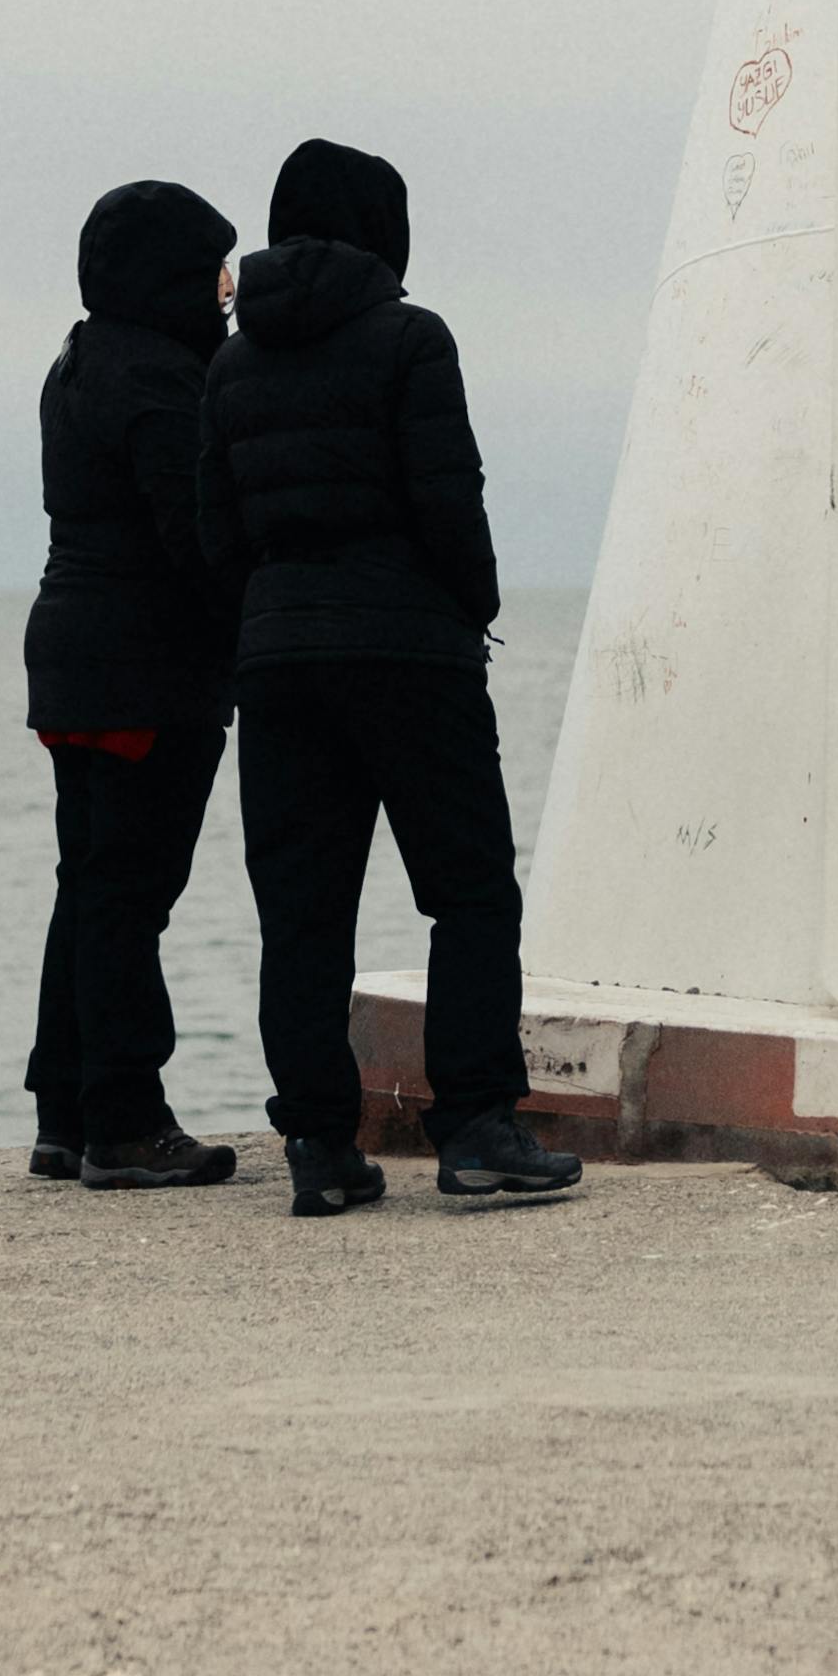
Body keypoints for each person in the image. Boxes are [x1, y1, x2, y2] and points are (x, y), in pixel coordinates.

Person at [200, 132, 583, 1215]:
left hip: (279, 661)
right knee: (466, 891)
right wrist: (476, 604)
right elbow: (448, 497)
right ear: (386, 227)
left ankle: (321, 1148)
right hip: (410, 650)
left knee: (302, 911)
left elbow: (213, 531)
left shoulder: (231, 361)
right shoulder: (411, 337)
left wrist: (267, 619)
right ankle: (475, 1130)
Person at [21, 173, 242, 1193]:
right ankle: (125, 1117)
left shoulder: (78, 361)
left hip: (72, 652)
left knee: (91, 884)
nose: (225, 292)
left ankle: (64, 1112)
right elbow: (192, 532)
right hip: (144, 667)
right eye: (210, 273)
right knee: (129, 896)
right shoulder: (160, 376)